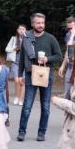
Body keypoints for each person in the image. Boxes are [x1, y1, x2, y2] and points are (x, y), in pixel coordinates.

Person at [17, 12, 62, 142]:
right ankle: (21, 132)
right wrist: (19, 75)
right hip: (31, 74)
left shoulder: (50, 38)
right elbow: (21, 59)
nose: (41, 25)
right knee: (27, 106)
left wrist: (48, 58)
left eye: (42, 23)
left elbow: (58, 56)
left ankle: (41, 133)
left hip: (46, 75)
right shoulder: (27, 37)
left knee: (45, 106)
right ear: (32, 24)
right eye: (38, 23)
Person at [59, 17, 75, 98]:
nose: (69, 30)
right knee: (67, 92)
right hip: (70, 66)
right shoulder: (68, 35)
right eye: (68, 28)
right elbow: (67, 51)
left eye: (71, 28)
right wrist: (62, 66)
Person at [5, 24, 26, 106]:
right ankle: (16, 97)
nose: (21, 30)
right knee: (17, 80)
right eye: (20, 29)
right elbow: (6, 49)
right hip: (15, 63)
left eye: (23, 29)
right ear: (17, 30)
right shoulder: (13, 39)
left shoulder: (28, 39)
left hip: (24, 63)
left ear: (25, 31)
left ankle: (21, 99)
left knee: (23, 82)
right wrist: (14, 49)